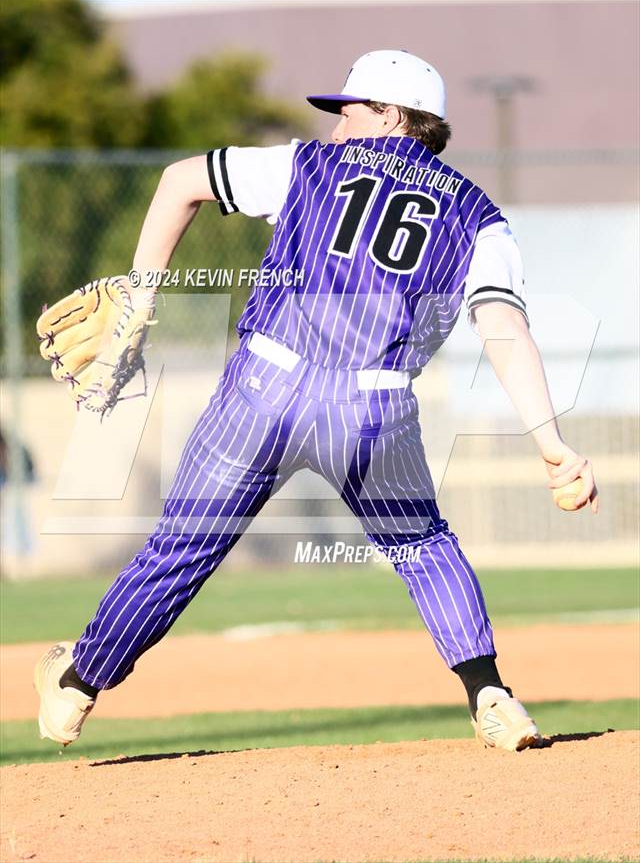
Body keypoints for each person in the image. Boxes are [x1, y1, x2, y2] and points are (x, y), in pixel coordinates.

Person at [35, 50, 598, 752]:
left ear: (393, 115)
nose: (336, 124)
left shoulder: (308, 166)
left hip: (262, 389)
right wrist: (551, 443)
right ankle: (491, 694)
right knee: (422, 544)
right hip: (373, 409)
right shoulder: (480, 216)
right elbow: (502, 325)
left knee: (181, 546)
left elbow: (181, 180)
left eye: (351, 110)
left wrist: (142, 293)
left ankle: (77, 686)